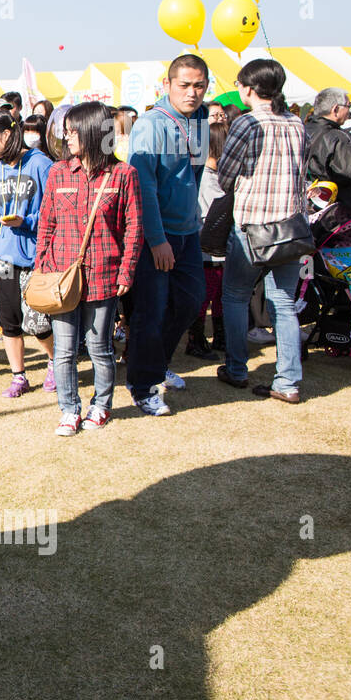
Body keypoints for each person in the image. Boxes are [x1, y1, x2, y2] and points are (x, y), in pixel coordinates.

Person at [34, 102, 142, 434]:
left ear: (94, 131)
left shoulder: (124, 175)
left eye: (72, 130)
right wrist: (41, 267)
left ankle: (101, 405)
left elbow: (134, 228)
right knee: (64, 351)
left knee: (99, 347)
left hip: (104, 276)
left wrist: (126, 271)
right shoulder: (58, 172)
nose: (66, 137)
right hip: (62, 277)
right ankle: (69, 409)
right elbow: (46, 223)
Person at [216, 59, 308, 403]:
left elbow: (225, 176)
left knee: (236, 297)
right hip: (291, 227)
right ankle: (287, 382)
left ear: (249, 89)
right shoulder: (297, 123)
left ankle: (238, 369)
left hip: (252, 227)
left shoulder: (247, 123)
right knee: (284, 305)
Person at [124, 54, 209, 415]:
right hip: (156, 235)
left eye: (199, 85)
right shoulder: (150, 125)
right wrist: (157, 240)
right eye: (185, 85)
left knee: (192, 301)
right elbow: (143, 188)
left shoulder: (201, 119)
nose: (192, 93)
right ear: (167, 85)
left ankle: (155, 364)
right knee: (151, 311)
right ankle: (142, 386)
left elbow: (197, 173)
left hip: (189, 231)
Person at [0, 112, 55, 396]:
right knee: (8, 319)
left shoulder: (41, 164)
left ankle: (55, 362)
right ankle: (19, 376)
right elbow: (0, 215)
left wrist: (26, 222)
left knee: (38, 322)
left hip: (33, 258)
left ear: (7, 134)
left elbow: (54, 215)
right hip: (2, 256)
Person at [188, 120, 229, 360]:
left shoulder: (216, 174)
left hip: (220, 247)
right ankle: (196, 338)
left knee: (220, 293)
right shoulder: (203, 177)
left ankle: (221, 335)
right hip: (206, 247)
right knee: (205, 295)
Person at [303, 87, 351, 209]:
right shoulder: (337, 137)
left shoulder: (303, 129)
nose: (350, 111)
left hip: (306, 206)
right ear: (336, 109)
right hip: (336, 210)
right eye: (348, 106)